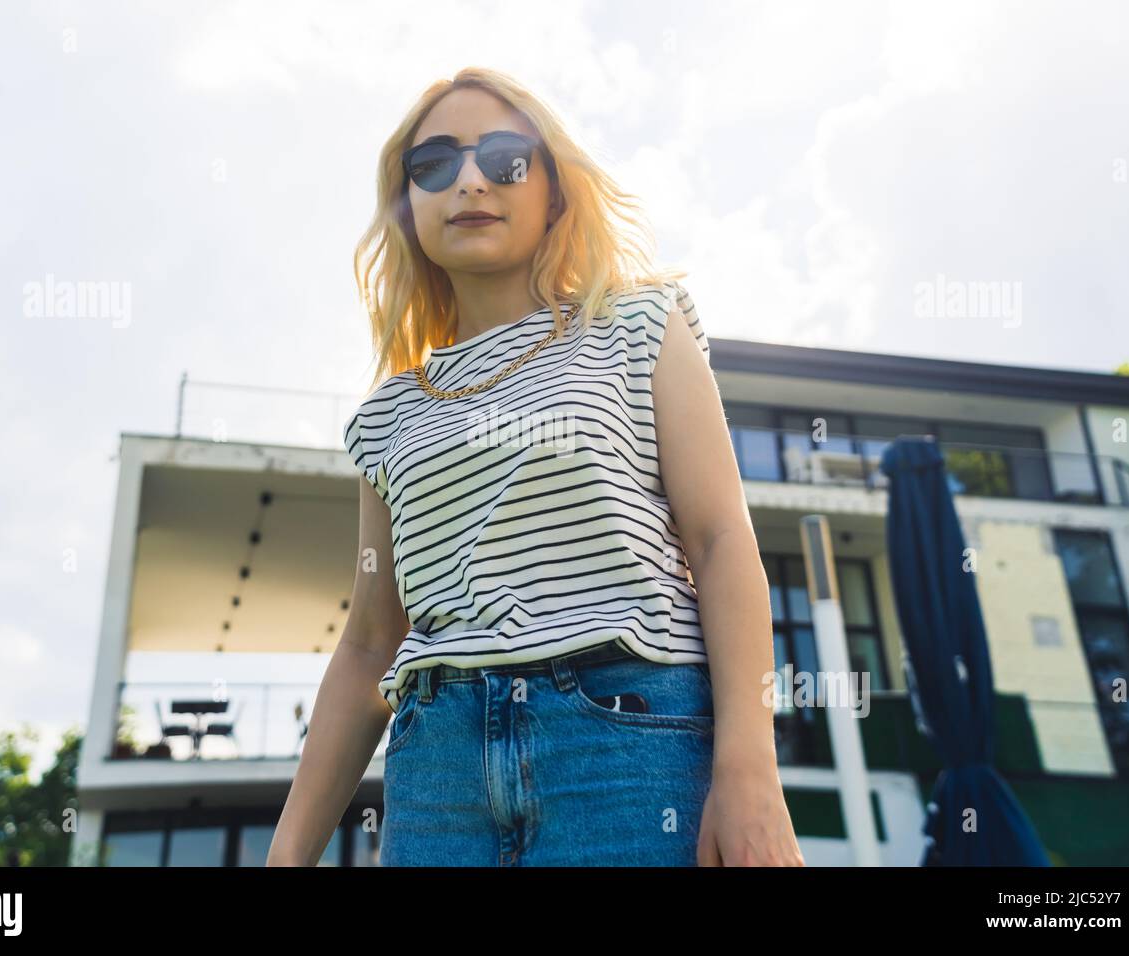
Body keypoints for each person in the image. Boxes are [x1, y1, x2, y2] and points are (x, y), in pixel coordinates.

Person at [268, 66, 802, 867]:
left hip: (625, 746)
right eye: (435, 165)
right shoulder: (389, 414)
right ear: (409, 206)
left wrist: (751, 770)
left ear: (554, 189)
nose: (471, 181)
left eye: (505, 158)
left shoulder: (638, 325)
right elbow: (370, 642)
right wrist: (286, 858)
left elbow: (723, 545)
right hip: (436, 773)